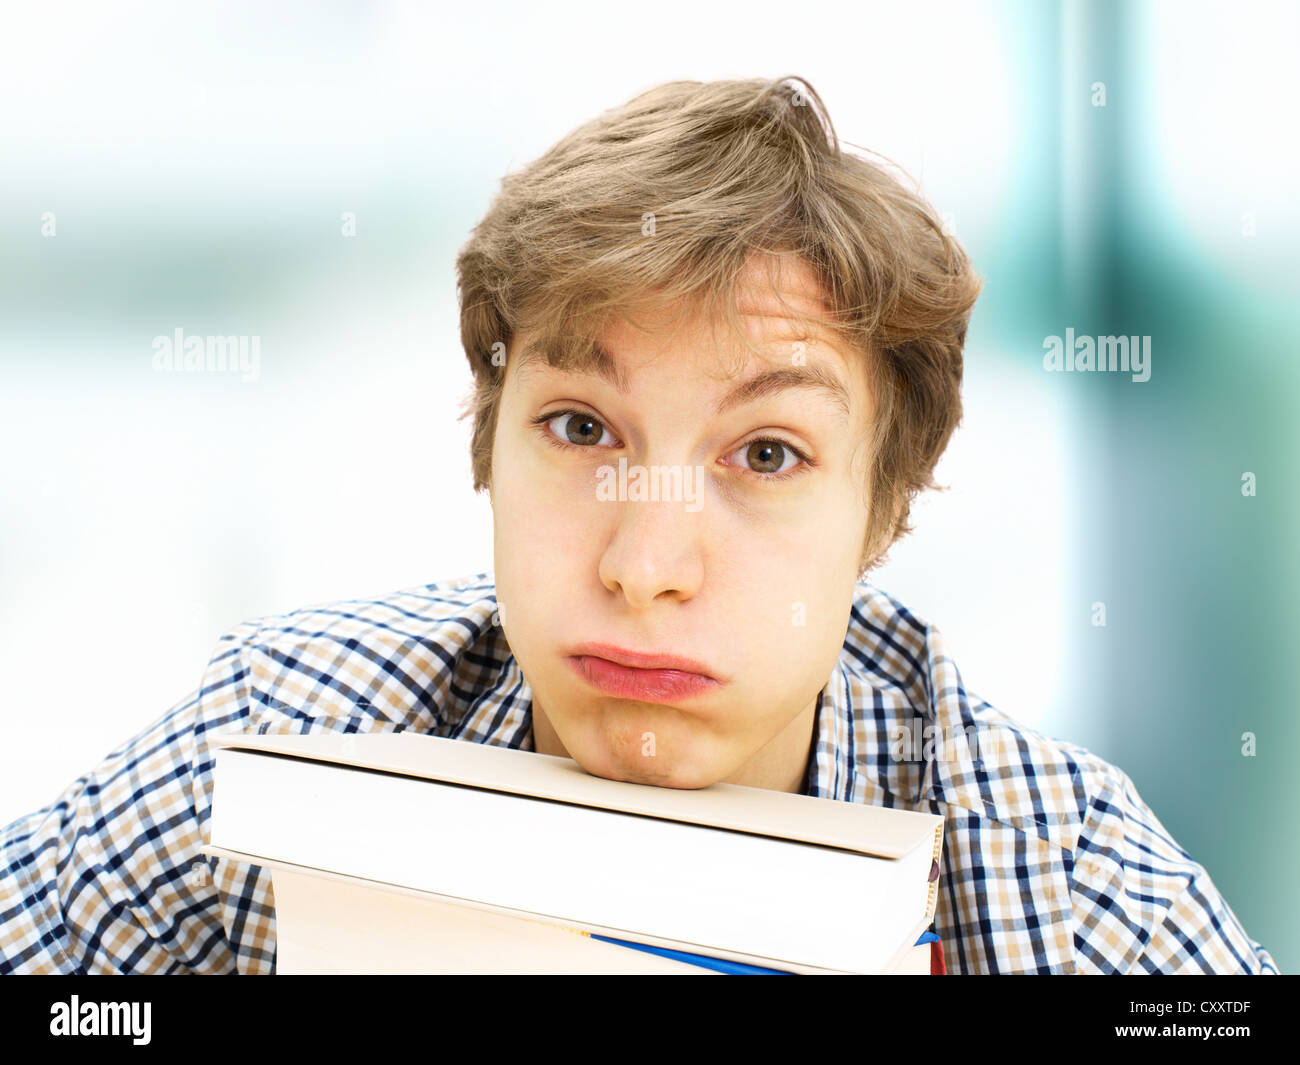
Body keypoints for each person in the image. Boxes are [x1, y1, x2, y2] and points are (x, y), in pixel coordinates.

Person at [0, 75, 1277, 974]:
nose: (645, 567)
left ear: (883, 507)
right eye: (580, 430)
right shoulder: (289, 728)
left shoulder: (1060, 877)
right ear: (487, 448)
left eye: (767, 454)